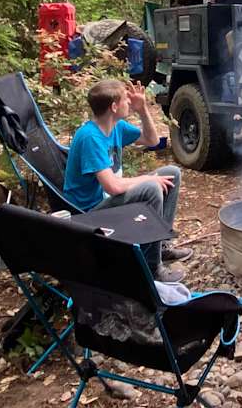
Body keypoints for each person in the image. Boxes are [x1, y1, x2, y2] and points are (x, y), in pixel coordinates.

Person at [64, 78, 194, 282]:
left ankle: (161, 246)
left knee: (172, 173)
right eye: (125, 99)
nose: (129, 102)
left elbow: (152, 140)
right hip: (88, 213)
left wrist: (142, 110)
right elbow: (113, 186)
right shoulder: (90, 137)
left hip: (108, 199)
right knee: (151, 187)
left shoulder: (117, 126)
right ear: (114, 107)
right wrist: (147, 179)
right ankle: (152, 268)